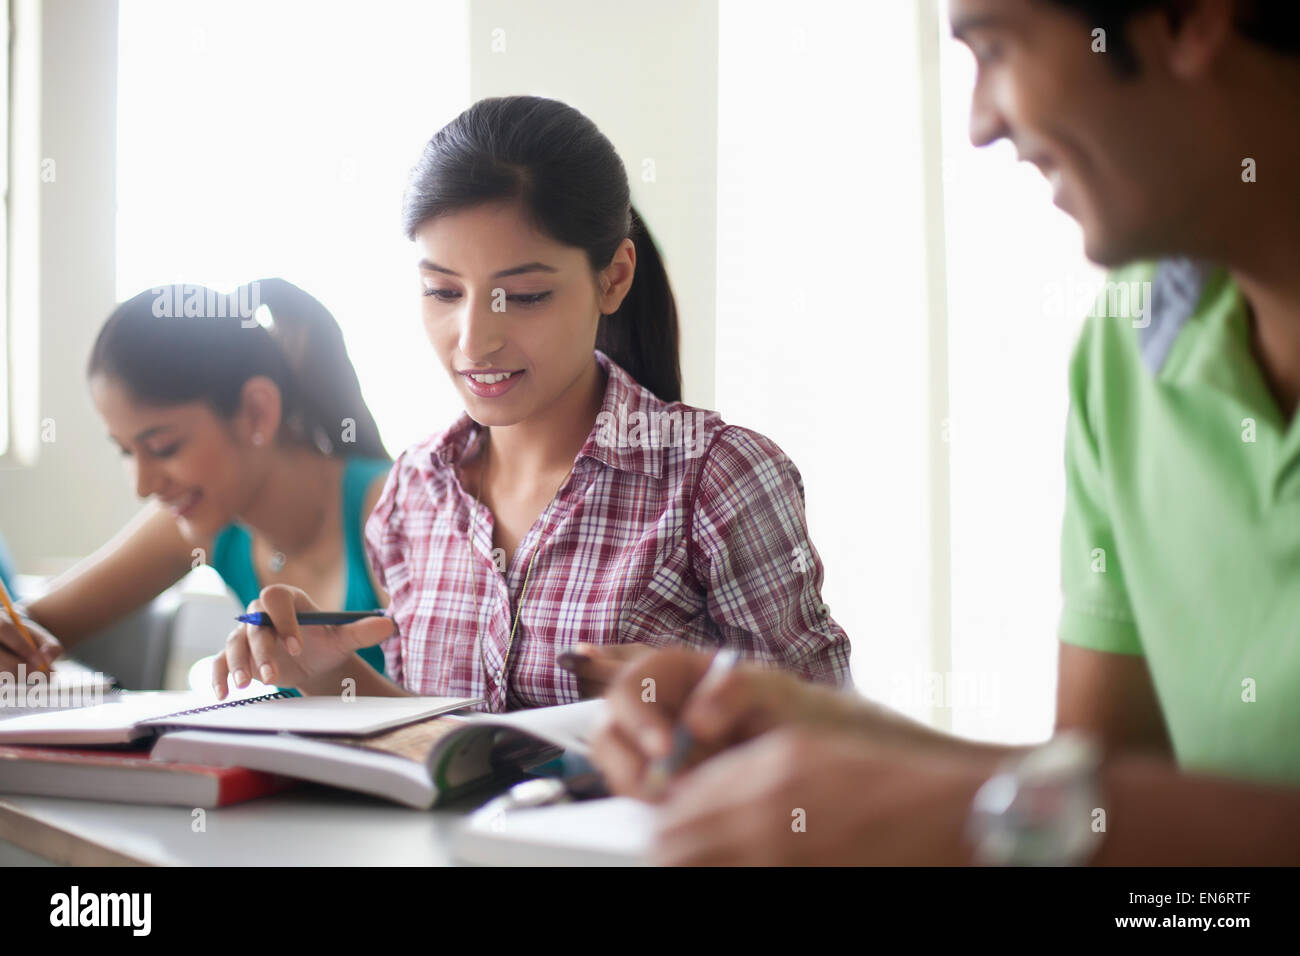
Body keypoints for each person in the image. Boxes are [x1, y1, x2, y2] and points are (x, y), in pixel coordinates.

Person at [587, 0, 1300, 864]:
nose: (980, 123)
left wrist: (963, 818)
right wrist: (824, 735)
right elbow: (1112, 795)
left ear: (1189, 21)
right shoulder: (1130, 343)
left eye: (995, 48)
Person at [217, 95, 851, 710]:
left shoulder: (718, 479)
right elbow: (440, 752)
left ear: (614, 277)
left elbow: (830, 743)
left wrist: (695, 713)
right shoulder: (413, 492)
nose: (474, 341)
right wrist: (329, 675)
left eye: (522, 297)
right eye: (442, 291)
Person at [0, 279, 394, 693]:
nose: (143, 485)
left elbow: (458, 733)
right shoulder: (199, 518)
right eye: (127, 452)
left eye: (163, 447)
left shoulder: (390, 512)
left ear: (257, 412)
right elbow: (31, 631)